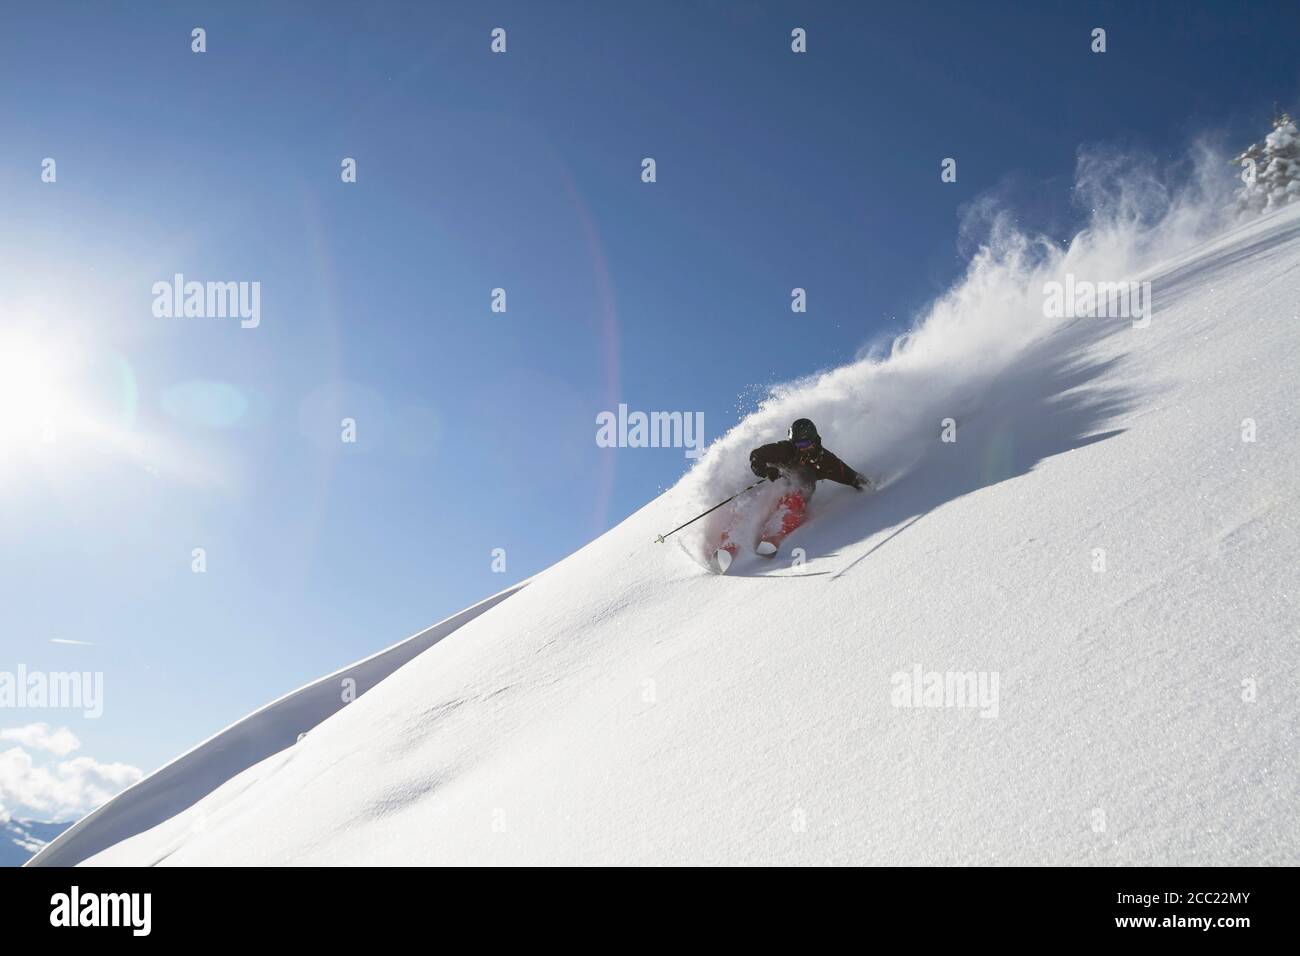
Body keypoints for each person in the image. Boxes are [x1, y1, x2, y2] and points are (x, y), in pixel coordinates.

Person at [718, 418, 870, 565]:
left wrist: (866, 485)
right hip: (775, 488)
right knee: (750, 504)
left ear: (814, 440)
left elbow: (849, 476)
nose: (801, 448)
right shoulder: (785, 449)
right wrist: (766, 470)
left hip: (798, 495)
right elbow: (756, 456)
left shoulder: (825, 461)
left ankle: (773, 535)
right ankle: (727, 545)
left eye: (805, 443)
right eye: (797, 444)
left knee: (797, 494)